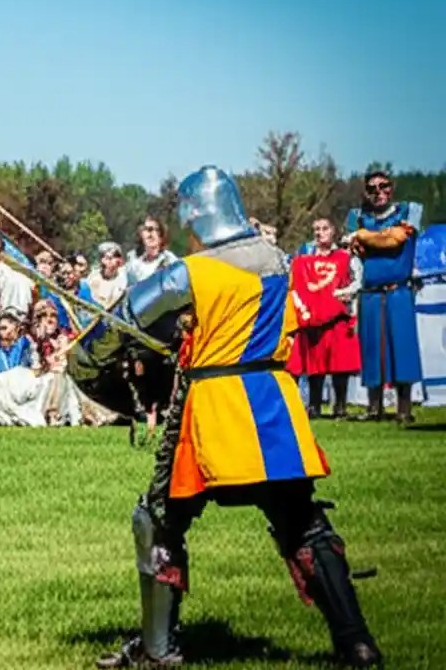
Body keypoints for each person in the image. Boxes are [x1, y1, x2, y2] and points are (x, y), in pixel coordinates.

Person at [73, 166, 380, 669]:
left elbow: (123, 318)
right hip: (274, 404)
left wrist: (83, 362)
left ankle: (158, 650)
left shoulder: (190, 272)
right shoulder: (278, 261)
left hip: (214, 407)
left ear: (194, 215)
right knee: (304, 524)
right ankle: (357, 644)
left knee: (157, 521)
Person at [345, 170, 423, 423]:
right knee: (372, 349)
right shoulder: (356, 217)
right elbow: (355, 248)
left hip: (398, 289)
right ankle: (374, 408)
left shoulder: (409, 211)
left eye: (383, 186)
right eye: (372, 188)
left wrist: (366, 236)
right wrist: (373, 237)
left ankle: (404, 409)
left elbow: (395, 241)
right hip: (370, 292)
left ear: (392, 187)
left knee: (402, 347)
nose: (378, 192)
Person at [288, 218, 362, 418]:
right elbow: (296, 284)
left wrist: (345, 294)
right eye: (316, 229)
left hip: (337, 317)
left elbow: (358, 281)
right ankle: (314, 405)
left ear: (333, 231)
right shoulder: (304, 259)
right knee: (315, 365)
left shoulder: (345, 257)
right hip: (313, 320)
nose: (320, 233)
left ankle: (340, 406)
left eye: (324, 229)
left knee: (340, 365)